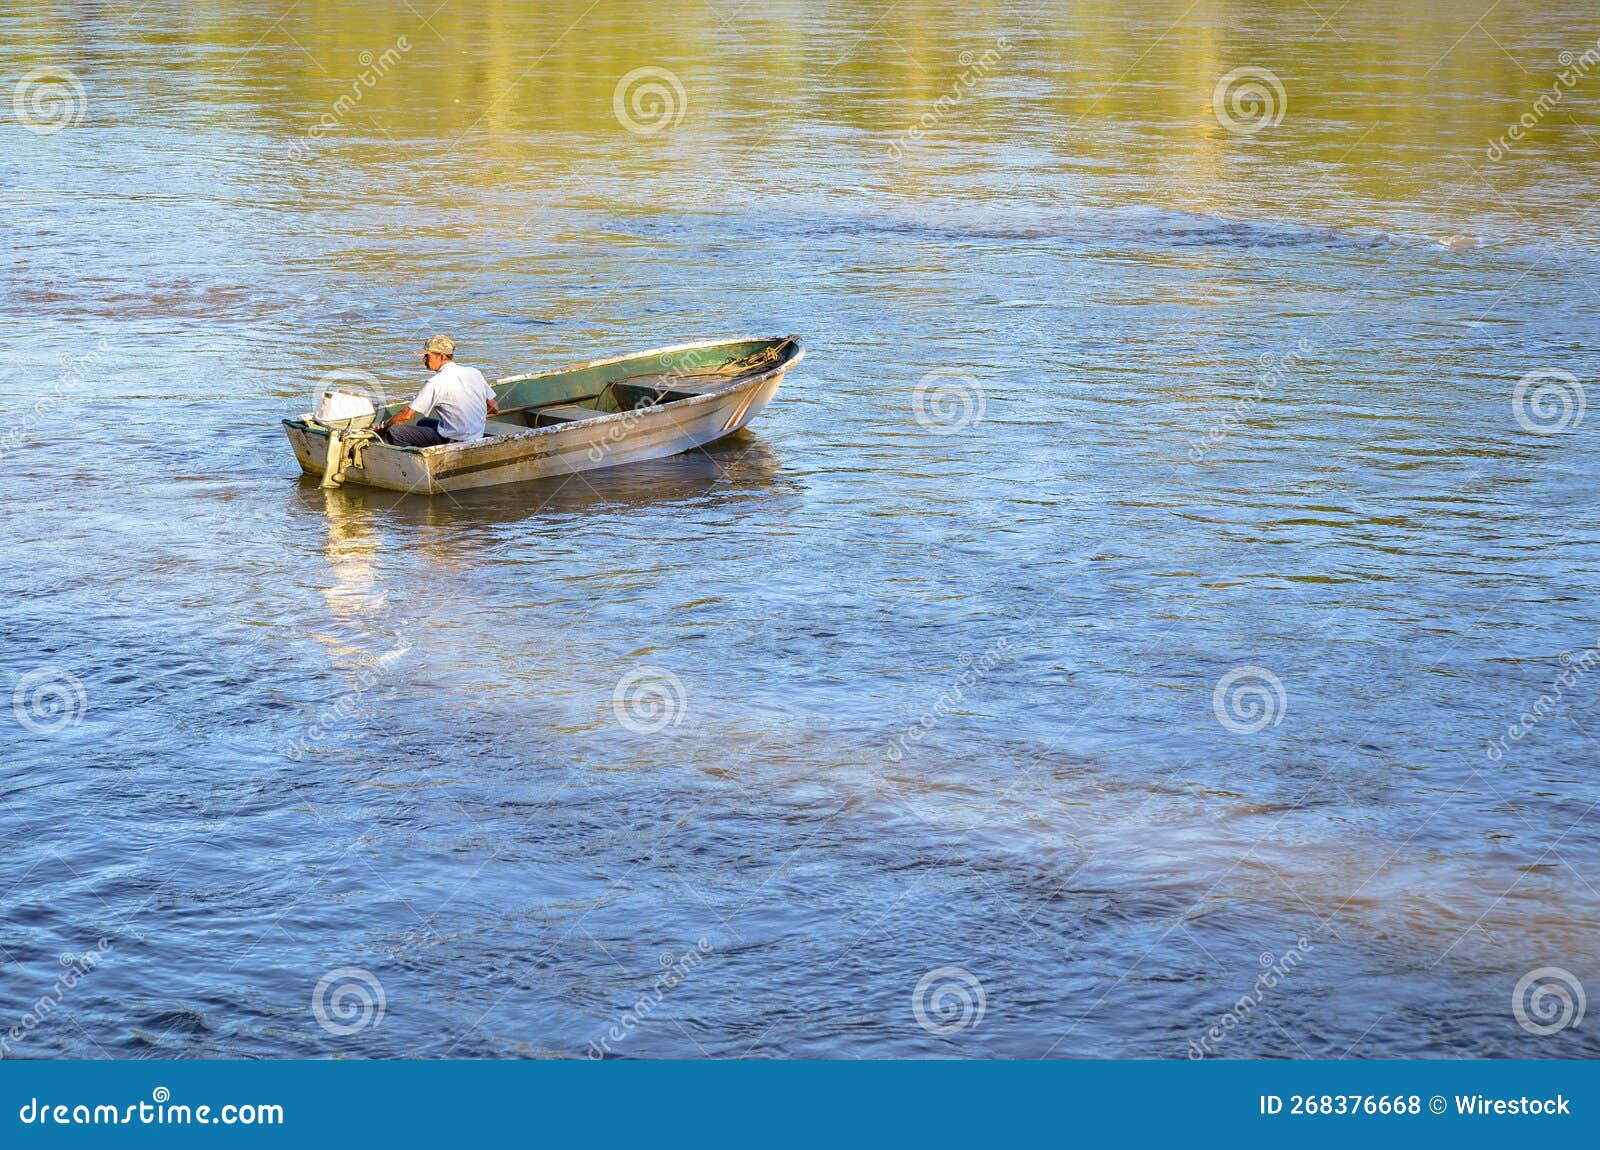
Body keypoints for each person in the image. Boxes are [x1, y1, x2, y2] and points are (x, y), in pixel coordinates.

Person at [377, 335, 500, 446]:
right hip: (476, 436)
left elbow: (405, 416)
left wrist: (382, 427)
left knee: (393, 431)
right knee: (423, 422)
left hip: (455, 441)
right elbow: (494, 408)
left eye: (427, 356)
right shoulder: (474, 372)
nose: (423, 360)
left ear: (441, 356)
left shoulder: (435, 382)